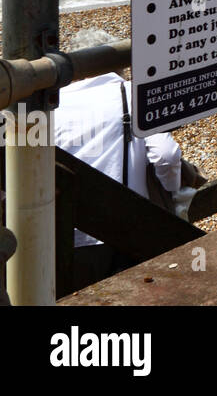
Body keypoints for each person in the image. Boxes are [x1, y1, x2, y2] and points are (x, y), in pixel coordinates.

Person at [54, 28, 207, 279]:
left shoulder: (52, 105)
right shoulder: (133, 93)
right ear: (120, 66)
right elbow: (166, 156)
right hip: (129, 228)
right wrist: (171, 196)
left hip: (66, 235)